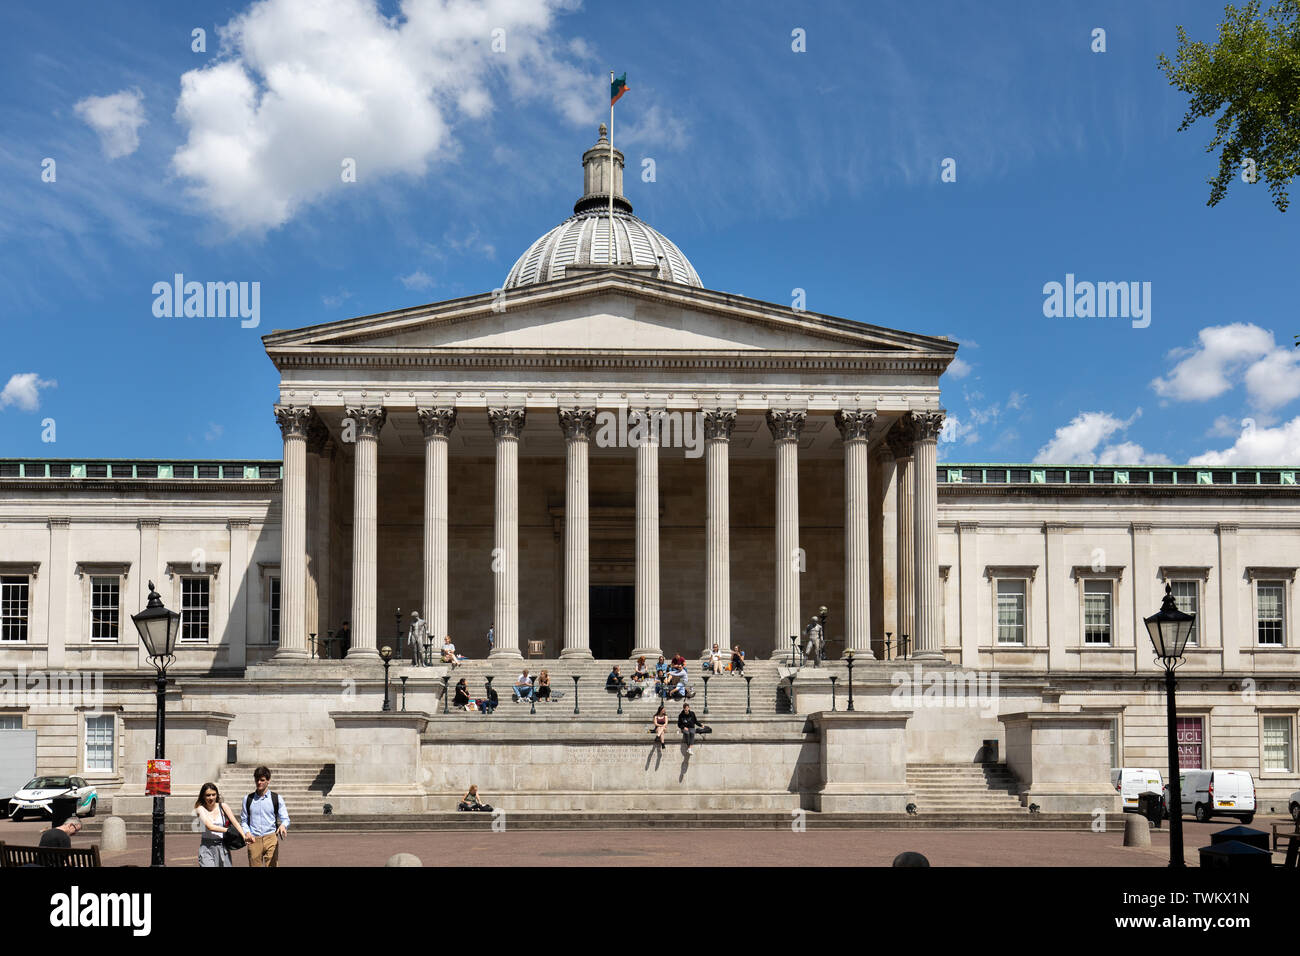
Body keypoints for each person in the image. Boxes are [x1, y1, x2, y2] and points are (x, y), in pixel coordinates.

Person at [240, 765, 290, 868]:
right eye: (257, 779)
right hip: (254, 839)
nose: (259, 782)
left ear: (268, 780)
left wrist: (283, 826)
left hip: (271, 837)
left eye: (262, 780)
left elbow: (285, 818)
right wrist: (247, 832)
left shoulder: (276, 798)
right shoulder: (248, 799)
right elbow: (244, 820)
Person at [195, 782, 249, 868]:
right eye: (208, 795)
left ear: (217, 795)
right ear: (203, 796)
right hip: (207, 847)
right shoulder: (200, 809)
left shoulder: (223, 806)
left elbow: (235, 823)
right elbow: (210, 827)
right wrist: (228, 830)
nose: (211, 798)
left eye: (213, 794)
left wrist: (244, 836)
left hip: (222, 846)